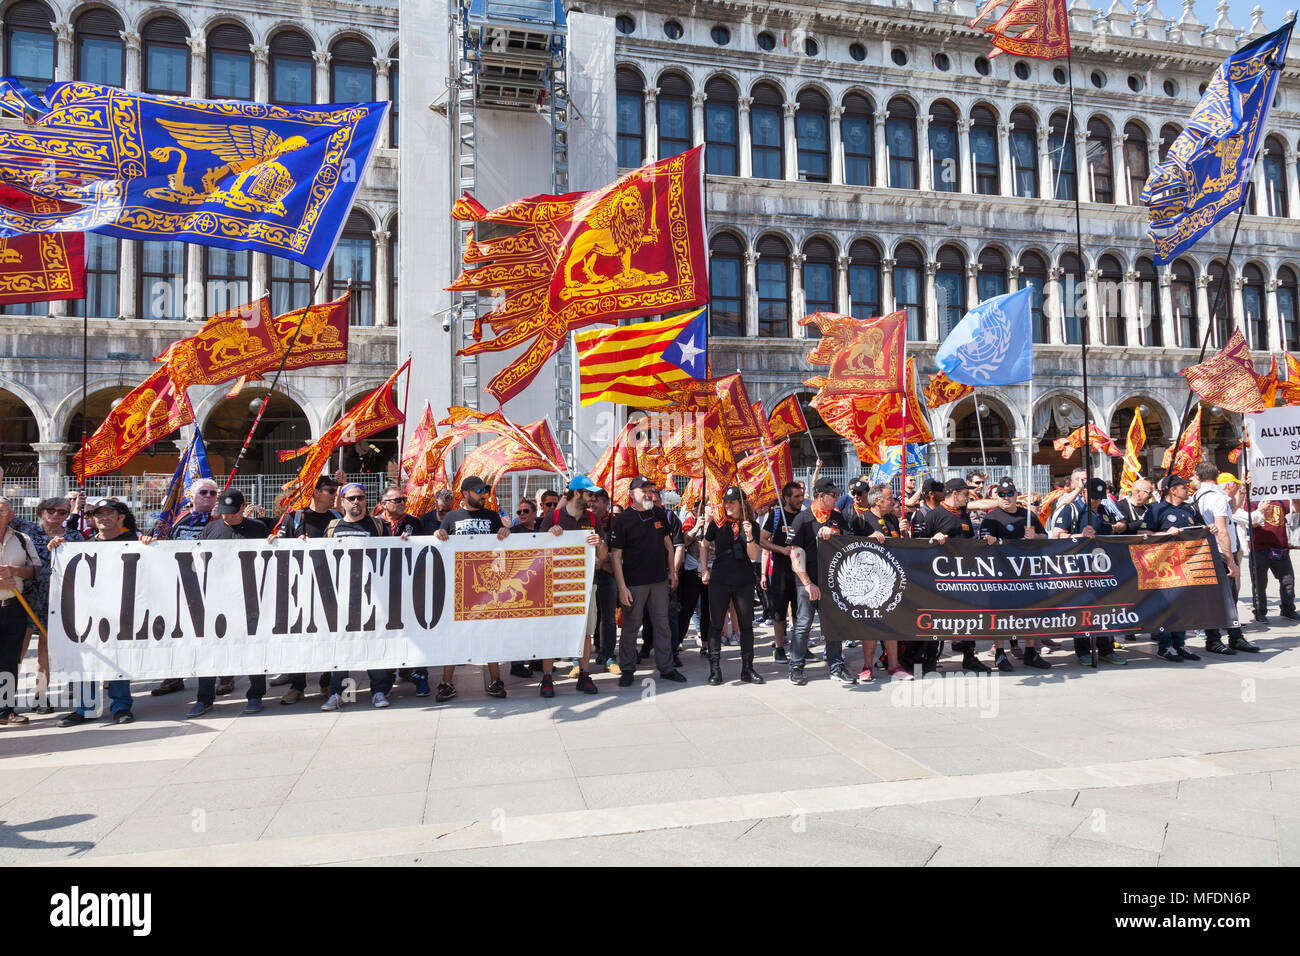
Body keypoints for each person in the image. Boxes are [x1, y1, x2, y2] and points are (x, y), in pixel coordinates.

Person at [320, 483, 414, 709]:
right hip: (342, 599)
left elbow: (392, 554)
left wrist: (403, 541)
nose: (356, 502)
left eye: (360, 498)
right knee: (341, 646)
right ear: (342, 501)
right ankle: (338, 692)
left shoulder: (378, 524)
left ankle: (379, 691)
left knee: (374, 644)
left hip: (374, 597)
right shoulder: (332, 527)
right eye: (351, 498)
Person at [185, 491, 271, 717]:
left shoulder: (258, 528)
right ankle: (204, 698)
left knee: (253, 648)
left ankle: (255, 695)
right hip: (216, 599)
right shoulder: (211, 530)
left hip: (249, 598)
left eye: (233, 514)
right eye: (224, 514)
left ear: (243, 507)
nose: (228, 518)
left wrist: (274, 543)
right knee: (209, 650)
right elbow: (196, 563)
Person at [54, 499, 137, 727]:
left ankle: (121, 707)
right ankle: (85, 708)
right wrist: (60, 549)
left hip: (121, 612)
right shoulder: (84, 544)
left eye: (109, 513)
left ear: (120, 517)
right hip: (88, 613)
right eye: (98, 514)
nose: (103, 518)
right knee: (88, 660)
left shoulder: (134, 541)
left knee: (117, 660)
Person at [432, 475, 512, 701]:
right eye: (479, 491)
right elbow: (441, 542)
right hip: (458, 586)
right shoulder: (452, 517)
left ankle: (495, 679)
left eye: (485, 491)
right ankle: (446, 682)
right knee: (453, 634)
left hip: (486, 587)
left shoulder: (492, 516)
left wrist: (507, 533)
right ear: (466, 493)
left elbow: (504, 546)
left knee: (490, 632)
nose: (483, 495)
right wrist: (438, 534)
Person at [147, 476, 222, 698]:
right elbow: (160, 539)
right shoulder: (178, 518)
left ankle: (223, 677)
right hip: (180, 582)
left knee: (212, 631)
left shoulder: (221, 518)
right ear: (192, 496)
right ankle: (174, 676)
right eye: (204, 492)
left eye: (212, 493)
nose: (208, 496)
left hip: (212, 584)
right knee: (176, 630)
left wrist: (219, 520)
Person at [269, 475, 341, 704]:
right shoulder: (294, 518)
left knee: (329, 637)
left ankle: (327, 681)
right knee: (300, 637)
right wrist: (276, 541)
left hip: (330, 587)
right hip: (299, 589)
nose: (334, 496)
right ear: (317, 492)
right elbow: (277, 550)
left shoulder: (338, 518)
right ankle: (297, 684)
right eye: (331, 491)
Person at [610, 475, 684, 686]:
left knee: (662, 625)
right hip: (634, 583)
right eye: (643, 490)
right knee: (631, 627)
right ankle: (627, 669)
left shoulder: (658, 513)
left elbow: (669, 545)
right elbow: (615, 556)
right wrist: (622, 587)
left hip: (660, 581)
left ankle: (667, 668)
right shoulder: (623, 519)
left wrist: (672, 572)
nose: (648, 493)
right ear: (631, 494)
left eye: (650, 489)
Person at [536, 475, 606, 695]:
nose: (593, 499)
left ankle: (584, 675)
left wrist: (600, 544)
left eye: (594, 496)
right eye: (590, 495)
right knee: (550, 631)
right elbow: (536, 550)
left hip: (585, 585)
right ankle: (547, 677)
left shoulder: (593, 520)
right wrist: (549, 536)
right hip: (556, 583)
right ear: (577, 493)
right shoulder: (553, 516)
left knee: (585, 633)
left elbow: (603, 556)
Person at [13, 497, 83, 713]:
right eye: (51, 510)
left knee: (45, 648)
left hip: (57, 600)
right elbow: (4, 511)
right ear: (41, 511)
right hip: (25, 597)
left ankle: (40, 695)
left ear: (67, 515)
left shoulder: (74, 536)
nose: (55, 515)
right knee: (16, 649)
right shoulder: (27, 530)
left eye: (62, 512)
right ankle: (5, 699)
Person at [1051, 476, 1127, 665]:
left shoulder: (1104, 509)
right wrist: (1080, 535)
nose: (1097, 501)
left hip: (1104, 568)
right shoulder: (1072, 509)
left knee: (1105, 609)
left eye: (1100, 497)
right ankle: (1083, 650)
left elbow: (1122, 524)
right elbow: (1057, 535)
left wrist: (1118, 527)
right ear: (1083, 492)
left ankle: (1106, 648)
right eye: (1094, 497)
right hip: (1079, 568)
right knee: (1082, 609)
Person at [843, 482, 915, 681]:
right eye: (889, 498)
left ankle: (894, 666)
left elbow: (904, 547)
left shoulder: (893, 519)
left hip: (891, 580)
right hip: (869, 582)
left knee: (890, 625)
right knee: (870, 627)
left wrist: (904, 532)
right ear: (877, 500)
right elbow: (849, 548)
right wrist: (868, 537)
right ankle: (867, 667)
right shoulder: (861, 520)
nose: (893, 501)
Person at [787, 477, 853, 685]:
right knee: (803, 625)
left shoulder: (837, 517)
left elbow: (848, 543)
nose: (836, 498)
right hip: (809, 582)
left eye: (836, 495)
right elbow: (794, 554)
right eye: (832, 495)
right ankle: (796, 667)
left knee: (834, 625)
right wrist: (807, 583)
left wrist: (835, 534)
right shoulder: (803, 519)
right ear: (820, 496)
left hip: (833, 581)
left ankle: (836, 665)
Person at [980, 479, 1050, 671]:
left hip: (1027, 573)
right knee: (1001, 614)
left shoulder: (1027, 515)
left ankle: (1030, 652)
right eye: (1001, 495)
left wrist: (1034, 537)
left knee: (1031, 611)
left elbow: (1045, 537)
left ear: (1015, 495)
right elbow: (982, 540)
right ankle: (1001, 653)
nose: (1005, 498)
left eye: (1009, 494)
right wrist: (990, 540)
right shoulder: (992, 517)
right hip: (1001, 574)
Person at [925, 478, 991, 673]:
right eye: (965, 493)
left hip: (964, 575)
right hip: (940, 578)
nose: (968, 497)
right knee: (939, 618)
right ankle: (930, 658)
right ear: (955, 494)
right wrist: (932, 540)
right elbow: (917, 544)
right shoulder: (933, 515)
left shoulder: (963, 514)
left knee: (967, 617)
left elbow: (969, 538)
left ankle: (969, 657)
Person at [700, 486, 765, 685]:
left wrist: (750, 536)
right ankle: (715, 669)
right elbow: (703, 544)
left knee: (746, 625)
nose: (728, 506)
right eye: (726, 502)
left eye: (732, 502)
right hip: (720, 578)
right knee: (716, 624)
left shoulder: (751, 524)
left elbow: (754, 556)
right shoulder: (718, 523)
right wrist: (704, 569)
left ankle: (747, 668)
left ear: (741, 504)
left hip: (743, 579)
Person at [1191, 464, 1256, 655]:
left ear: (1198, 476)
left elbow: (1233, 508)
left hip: (1208, 550)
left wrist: (1243, 489)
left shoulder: (1199, 495)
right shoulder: (1216, 497)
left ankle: (1233, 636)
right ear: (1218, 474)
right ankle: (1215, 639)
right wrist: (1230, 560)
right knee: (1224, 597)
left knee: (1224, 597)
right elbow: (1222, 530)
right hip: (1220, 551)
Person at [1143, 474, 1202, 663]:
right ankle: (1165, 646)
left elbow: (1200, 528)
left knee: (1182, 605)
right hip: (1163, 565)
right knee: (1166, 607)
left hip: (1186, 564)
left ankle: (1180, 644)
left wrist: (1210, 530)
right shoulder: (1156, 509)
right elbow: (1143, 533)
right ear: (1172, 490)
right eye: (1183, 487)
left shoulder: (1189, 509)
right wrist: (1165, 533)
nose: (1187, 490)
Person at [0, 498, 40, 726]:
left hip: (14, 606)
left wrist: (14, 571)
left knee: (9, 660)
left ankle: (5, 710)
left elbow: (35, 570)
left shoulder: (23, 540)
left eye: (1, 510)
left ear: (11, 515)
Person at [759, 481, 804, 662]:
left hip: (801, 572)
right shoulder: (776, 516)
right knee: (778, 613)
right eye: (796, 497)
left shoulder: (805, 516)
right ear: (786, 498)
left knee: (800, 612)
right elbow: (762, 540)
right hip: (780, 573)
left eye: (802, 496)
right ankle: (779, 648)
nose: (801, 500)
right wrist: (781, 549)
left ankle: (800, 647)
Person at [1242, 492, 1300, 623]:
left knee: (1288, 582)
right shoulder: (1253, 501)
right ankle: (1260, 611)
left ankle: (1288, 609)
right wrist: (1260, 510)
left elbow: (1297, 508)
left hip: (1280, 548)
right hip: (1259, 549)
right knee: (1260, 584)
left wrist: (1296, 492)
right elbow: (1251, 523)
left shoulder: (1281, 499)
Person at [589, 488, 619, 673]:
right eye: (590, 499)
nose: (592, 503)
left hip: (608, 573)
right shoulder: (584, 520)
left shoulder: (616, 522)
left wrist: (603, 560)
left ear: (607, 503)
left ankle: (608, 654)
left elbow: (618, 551)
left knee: (608, 617)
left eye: (597, 500)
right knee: (586, 618)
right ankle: (579, 660)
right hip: (587, 576)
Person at [676, 505, 709, 655]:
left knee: (707, 610)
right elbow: (683, 541)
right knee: (687, 608)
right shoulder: (692, 520)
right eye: (709, 506)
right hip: (692, 572)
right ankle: (678, 640)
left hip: (710, 572)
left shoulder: (720, 523)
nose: (712, 509)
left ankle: (706, 643)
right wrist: (696, 528)